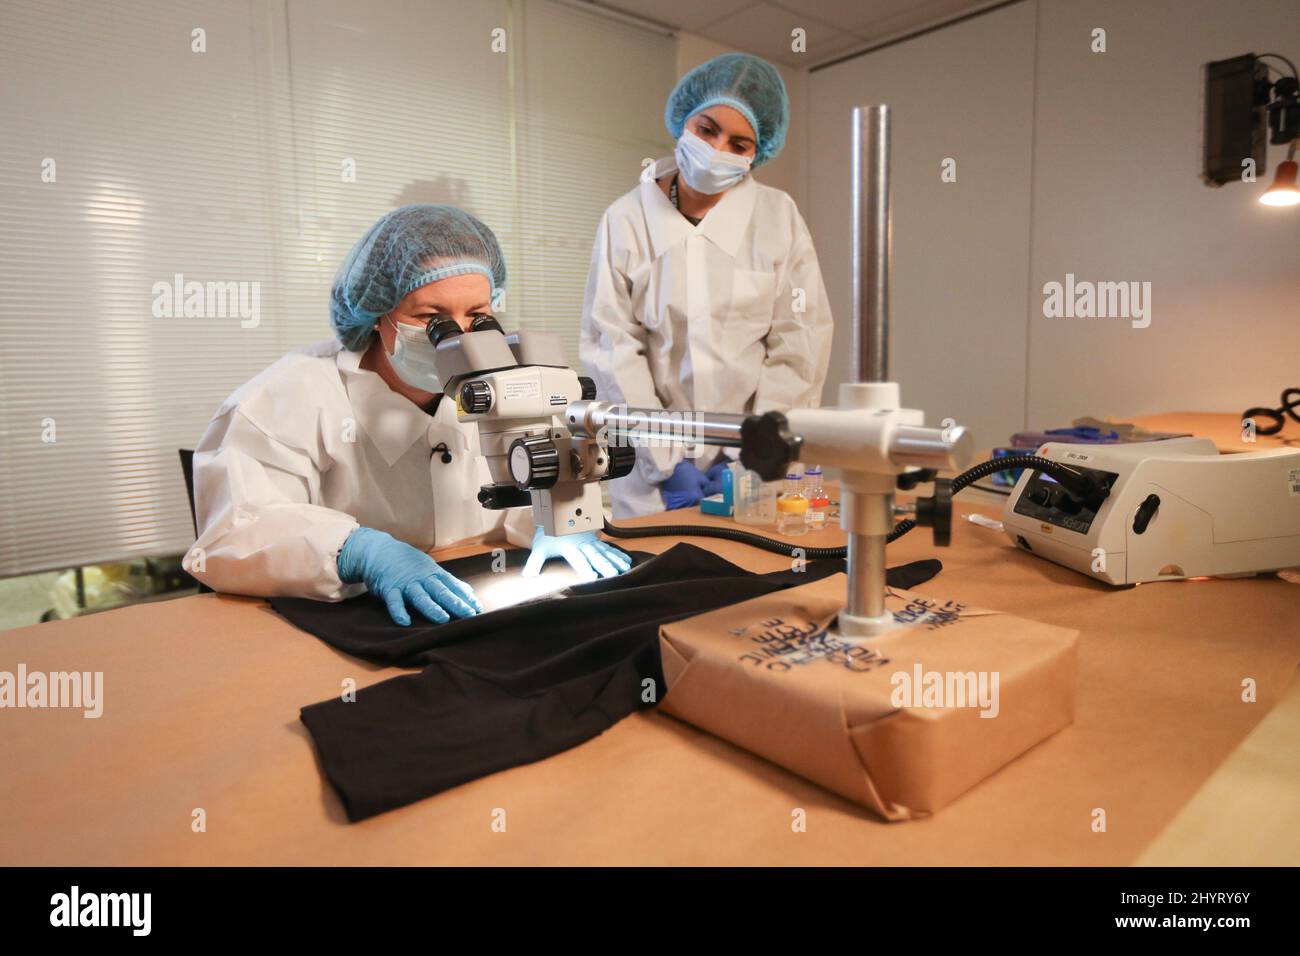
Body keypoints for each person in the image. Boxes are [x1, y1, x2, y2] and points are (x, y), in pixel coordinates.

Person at [184, 204, 630, 626]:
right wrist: (356, 550)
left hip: (476, 585)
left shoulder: (506, 386)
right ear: (378, 315)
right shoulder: (287, 396)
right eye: (431, 318)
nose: (458, 337)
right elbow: (231, 534)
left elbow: (526, 474)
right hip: (341, 615)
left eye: (477, 315)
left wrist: (553, 518)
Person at [580, 52, 834, 519]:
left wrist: (748, 456)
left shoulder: (778, 218)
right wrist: (664, 461)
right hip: (650, 476)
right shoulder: (626, 219)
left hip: (753, 467)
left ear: (758, 152)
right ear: (683, 122)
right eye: (707, 129)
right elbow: (612, 347)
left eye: (739, 144)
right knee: (656, 580)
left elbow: (799, 346)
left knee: (750, 582)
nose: (717, 150)